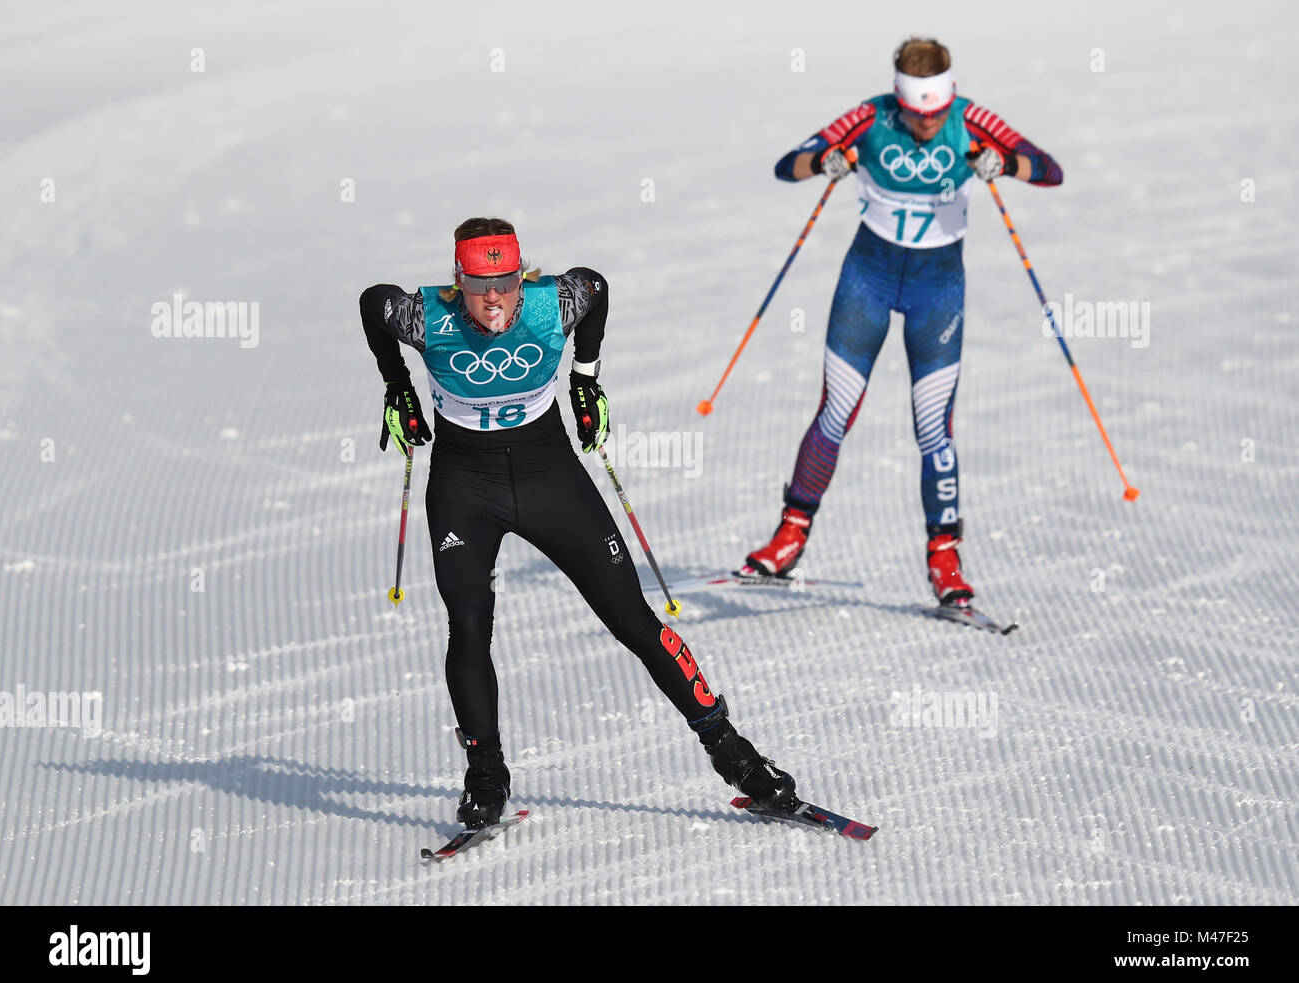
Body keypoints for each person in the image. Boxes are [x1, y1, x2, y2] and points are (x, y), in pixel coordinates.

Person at [360, 218, 797, 827]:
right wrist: (397, 385)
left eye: (507, 281)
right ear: (457, 281)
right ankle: (486, 776)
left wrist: (585, 377)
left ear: (522, 276)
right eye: (480, 283)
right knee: (466, 624)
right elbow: (372, 302)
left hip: (549, 477)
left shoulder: (552, 305)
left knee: (631, 617)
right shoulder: (425, 317)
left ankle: (736, 757)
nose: (495, 298)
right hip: (466, 488)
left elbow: (596, 286)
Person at [745, 37, 1063, 604]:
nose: (926, 124)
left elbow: (1050, 169)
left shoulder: (971, 121)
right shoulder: (871, 116)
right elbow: (785, 166)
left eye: (936, 113)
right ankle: (790, 534)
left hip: (936, 291)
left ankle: (945, 559)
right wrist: (827, 161)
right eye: (917, 115)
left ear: (950, 97)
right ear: (900, 100)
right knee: (835, 412)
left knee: (933, 427)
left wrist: (1005, 164)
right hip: (866, 279)